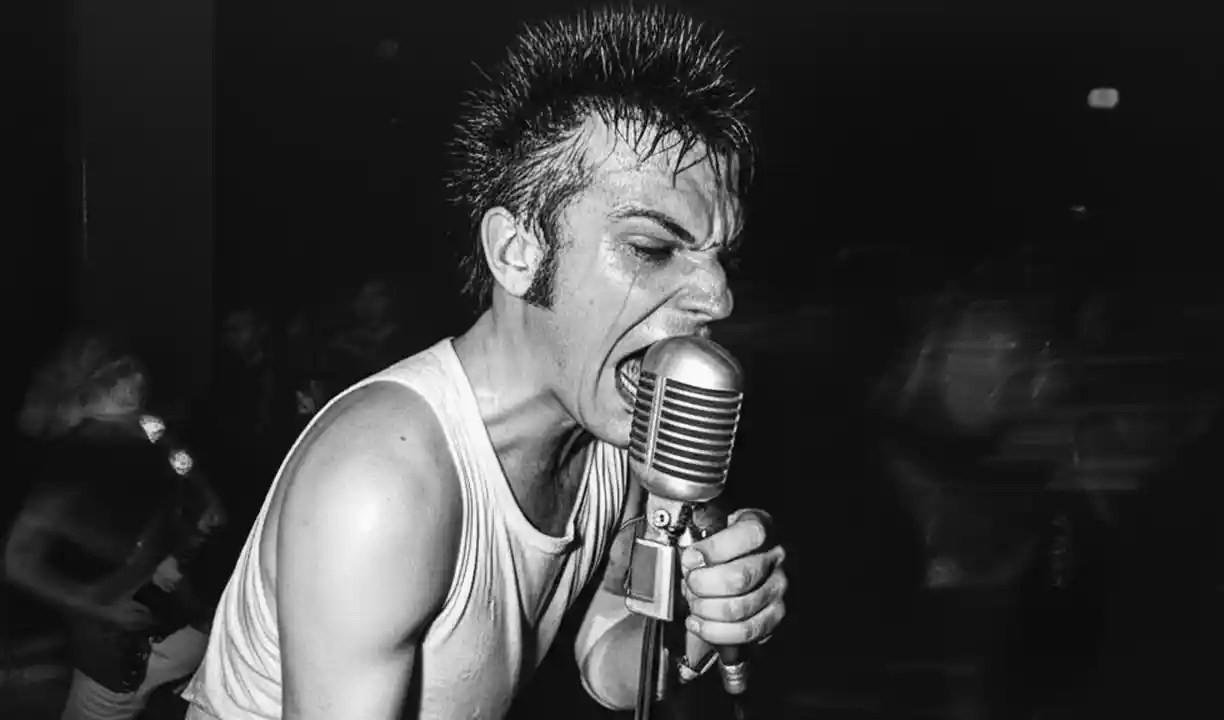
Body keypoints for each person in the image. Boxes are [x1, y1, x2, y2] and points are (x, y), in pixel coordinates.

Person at [182, 5, 787, 719]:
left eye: (721, 258)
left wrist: (693, 617)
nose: (718, 296)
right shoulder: (384, 482)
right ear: (517, 253)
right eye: (652, 249)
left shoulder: (617, 435)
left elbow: (609, 662)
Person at [4, 333, 226, 720]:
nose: (136, 382)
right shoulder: (76, 459)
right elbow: (17, 560)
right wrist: (96, 606)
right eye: (119, 376)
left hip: (183, 611)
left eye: (135, 369)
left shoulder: (146, 422)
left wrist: (203, 491)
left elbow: (176, 453)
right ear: (89, 386)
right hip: (122, 646)